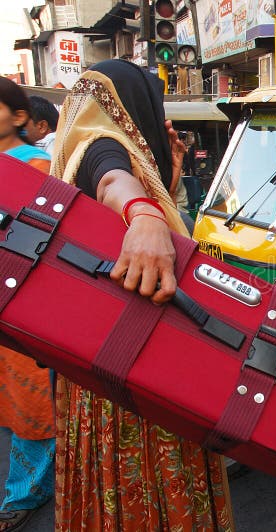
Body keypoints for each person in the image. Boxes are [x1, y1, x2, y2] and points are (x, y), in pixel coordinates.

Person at [49, 60, 233, 531]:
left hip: (98, 364)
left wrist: (165, 185)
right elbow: (111, 179)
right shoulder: (101, 145)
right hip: (139, 376)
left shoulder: (83, 149)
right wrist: (145, 213)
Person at [0, 77, 55, 532]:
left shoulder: (37, 165)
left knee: (31, 405)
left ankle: (26, 492)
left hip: (21, 298)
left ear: (19, 117)